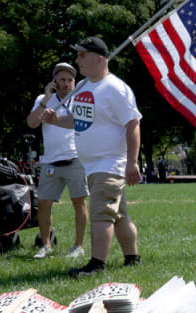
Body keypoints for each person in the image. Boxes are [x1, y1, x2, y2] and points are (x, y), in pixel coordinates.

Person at [43, 36, 141, 277]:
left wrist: (132, 162)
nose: (77, 61)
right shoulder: (83, 87)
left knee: (101, 214)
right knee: (119, 216)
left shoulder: (115, 88)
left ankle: (96, 265)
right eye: (77, 56)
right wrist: (56, 120)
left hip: (110, 164)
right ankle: (132, 258)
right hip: (91, 165)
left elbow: (133, 124)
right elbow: (78, 122)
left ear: (99, 59)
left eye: (82, 56)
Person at [26, 62, 89, 259]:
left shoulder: (80, 99)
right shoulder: (43, 99)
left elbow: (85, 125)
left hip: (75, 158)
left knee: (79, 202)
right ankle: (45, 245)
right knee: (44, 203)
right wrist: (46, 98)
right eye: (62, 79)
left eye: (70, 80)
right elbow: (32, 123)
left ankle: (78, 246)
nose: (66, 83)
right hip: (51, 161)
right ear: (54, 81)